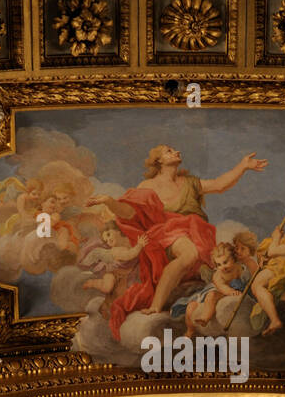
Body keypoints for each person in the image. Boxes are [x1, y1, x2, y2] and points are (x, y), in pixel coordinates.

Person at [87, 145, 267, 340]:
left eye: (175, 150)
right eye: (169, 151)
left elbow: (219, 185)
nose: (177, 152)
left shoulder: (190, 183)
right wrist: (109, 201)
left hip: (197, 234)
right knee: (189, 252)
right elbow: (129, 212)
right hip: (164, 235)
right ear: (159, 161)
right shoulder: (147, 187)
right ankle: (156, 304)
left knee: (213, 262)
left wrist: (243, 166)